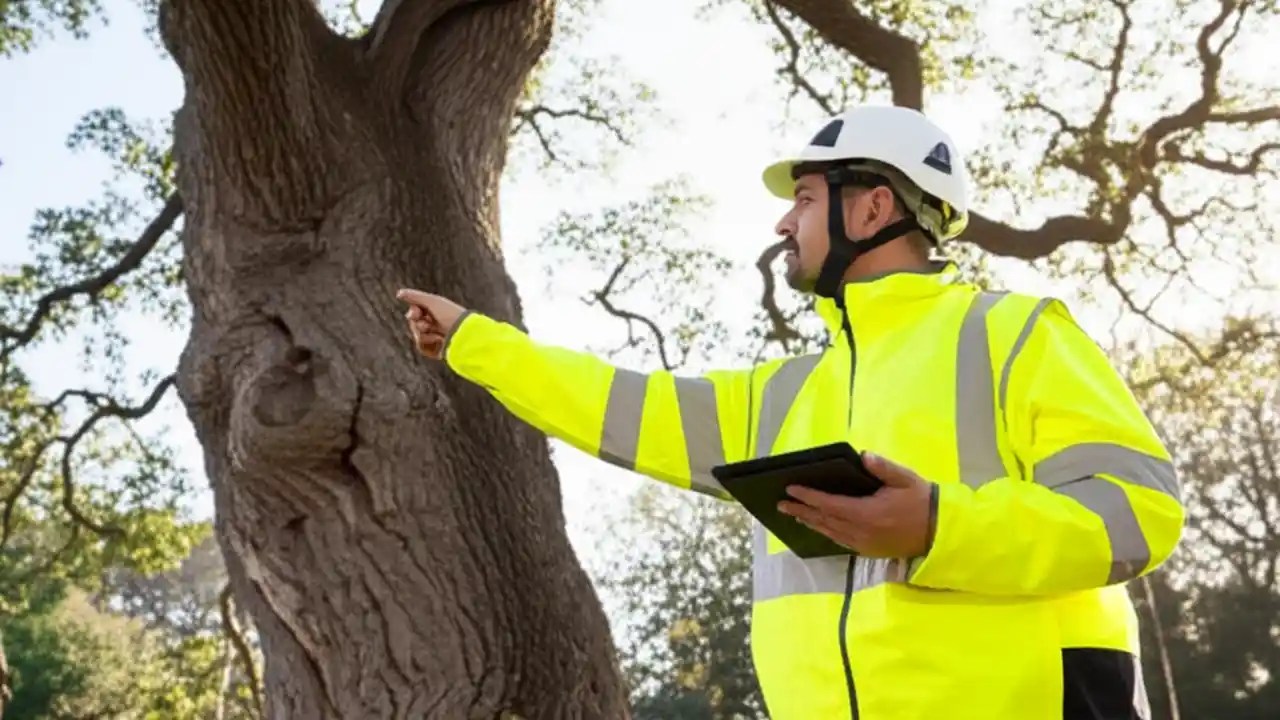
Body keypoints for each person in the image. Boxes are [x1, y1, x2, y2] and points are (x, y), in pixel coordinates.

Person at [397, 105, 1184, 720]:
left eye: (805, 198)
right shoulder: (779, 394)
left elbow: (1137, 513)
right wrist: (474, 343)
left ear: (875, 208)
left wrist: (940, 529)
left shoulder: (1015, 335)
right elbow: (618, 403)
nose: (783, 223)